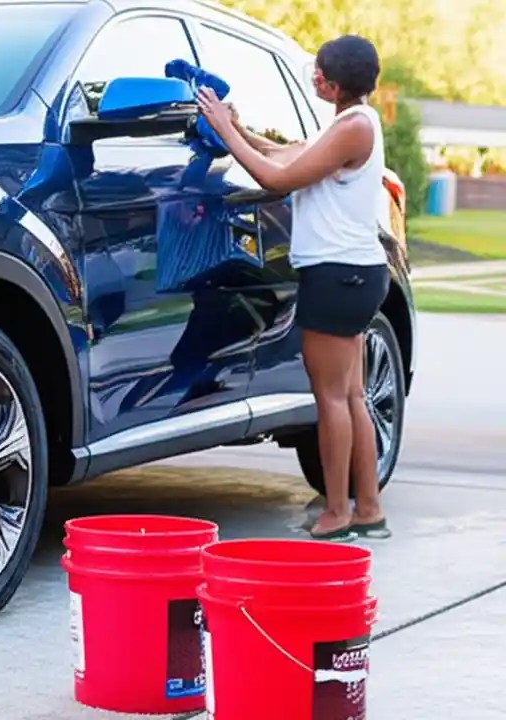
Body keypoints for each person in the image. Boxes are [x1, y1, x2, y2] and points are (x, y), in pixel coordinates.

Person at [195, 35, 390, 541]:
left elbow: (277, 179)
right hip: (356, 275)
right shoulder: (354, 123)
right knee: (350, 396)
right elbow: (285, 152)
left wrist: (221, 130)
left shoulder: (351, 130)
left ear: (338, 82)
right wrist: (238, 128)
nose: (314, 78)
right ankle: (367, 509)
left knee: (330, 400)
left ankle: (336, 515)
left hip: (336, 275)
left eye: (321, 73)